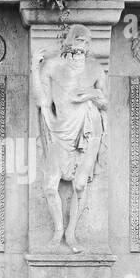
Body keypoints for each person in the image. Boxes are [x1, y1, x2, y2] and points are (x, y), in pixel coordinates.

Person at [33, 24, 108, 252]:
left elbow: (106, 102)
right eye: (78, 41)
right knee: (49, 185)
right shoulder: (53, 66)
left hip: (88, 126)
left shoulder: (95, 68)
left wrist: (92, 95)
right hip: (60, 129)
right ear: (68, 42)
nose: (81, 46)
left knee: (80, 184)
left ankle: (71, 233)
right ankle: (57, 230)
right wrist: (34, 69)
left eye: (86, 42)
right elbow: (41, 101)